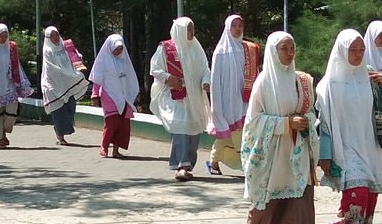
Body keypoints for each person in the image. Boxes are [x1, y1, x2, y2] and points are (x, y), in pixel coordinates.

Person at [238, 31, 324, 224]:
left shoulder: (301, 81)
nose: (289, 53)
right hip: (272, 154)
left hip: (297, 152)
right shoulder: (264, 82)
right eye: (284, 49)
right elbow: (253, 122)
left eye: (292, 48)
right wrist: (285, 124)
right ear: (274, 53)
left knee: (304, 203)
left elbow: (310, 112)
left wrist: (304, 120)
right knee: (267, 202)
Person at [317, 29, 382, 224]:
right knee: (357, 193)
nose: (358, 54)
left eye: (362, 50)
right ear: (342, 50)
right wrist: (325, 155)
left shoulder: (369, 77)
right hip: (345, 146)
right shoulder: (329, 83)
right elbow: (325, 123)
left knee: (370, 197)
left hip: (369, 144)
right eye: (353, 50)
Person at [150, 17, 211, 182]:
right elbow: (155, 69)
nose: (191, 33)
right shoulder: (166, 48)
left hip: (194, 98)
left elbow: (205, 69)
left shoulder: (196, 48)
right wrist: (169, 77)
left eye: (192, 29)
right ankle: (180, 166)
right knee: (181, 128)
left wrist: (206, 81)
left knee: (194, 131)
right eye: (187, 29)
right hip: (174, 97)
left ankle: (188, 164)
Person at [206, 14, 259, 175]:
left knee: (246, 133)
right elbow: (216, 81)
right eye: (234, 26)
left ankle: (249, 165)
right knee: (226, 134)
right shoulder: (220, 52)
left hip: (245, 99)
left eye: (240, 26)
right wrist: (217, 105)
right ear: (228, 28)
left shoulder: (248, 49)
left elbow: (255, 73)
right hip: (228, 101)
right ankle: (214, 160)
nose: (237, 29)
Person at [89, 34, 139, 158]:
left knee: (123, 123)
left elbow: (130, 78)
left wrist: (134, 92)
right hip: (109, 95)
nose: (119, 51)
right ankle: (104, 146)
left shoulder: (125, 60)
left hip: (124, 96)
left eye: (121, 48)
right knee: (112, 122)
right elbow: (97, 78)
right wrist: (95, 96)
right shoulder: (103, 59)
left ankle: (116, 150)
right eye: (116, 48)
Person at [40, 26, 90, 145]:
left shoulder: (65, 47)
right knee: (58, 110)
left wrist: (77, 60)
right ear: (47, 38)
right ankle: (60, 136)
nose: (55, 38)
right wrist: (65, 74)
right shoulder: (47, 51)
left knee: (70, 108)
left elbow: (75, 58)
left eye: (56, 34)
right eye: (52, 36)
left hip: (68, 83)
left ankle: (62, 131)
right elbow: (50, 69)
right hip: (53, 85)